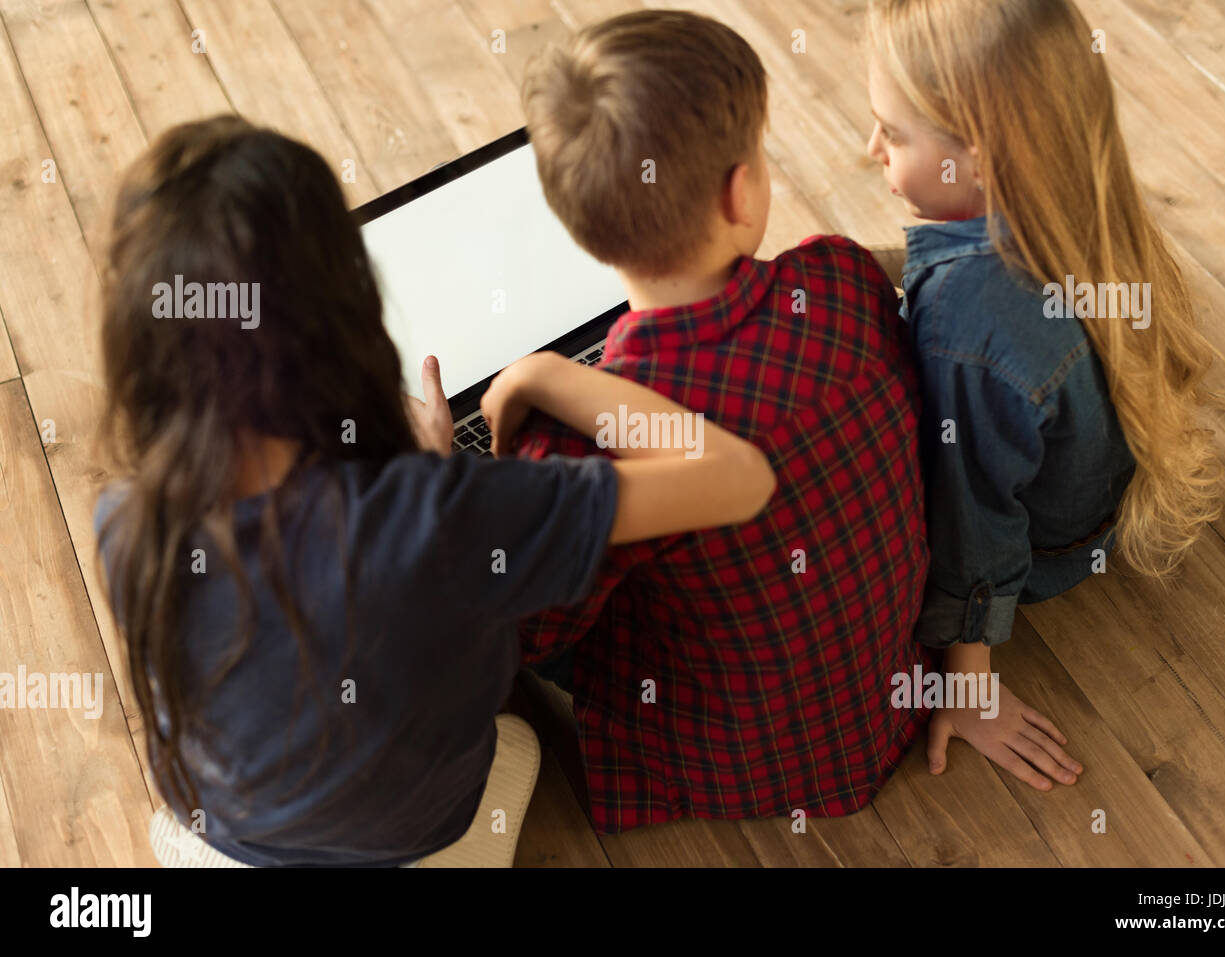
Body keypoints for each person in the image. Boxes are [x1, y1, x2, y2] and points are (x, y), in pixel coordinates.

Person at [92, 115, 774, 866]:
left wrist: (415, 476)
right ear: (344, 310)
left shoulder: (126, 520)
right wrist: (546, 377)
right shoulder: (443, 513)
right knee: (517, 736)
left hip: (230, 838)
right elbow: (737, 479)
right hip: (424, 841)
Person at [509, 9, 935, 834]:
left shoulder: (576, 449)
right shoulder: (842, 281)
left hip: (726, 762)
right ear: (742, 192)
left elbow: (520, 638)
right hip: (886, 699)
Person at [864, 0, 1222, 789]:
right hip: (1098, 486)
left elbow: (974, 517)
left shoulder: (970, 324)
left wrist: (968, 681)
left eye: (892, 132)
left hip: (1042, 552)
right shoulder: (1073, 191)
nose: (870, 149)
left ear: (984, 159)